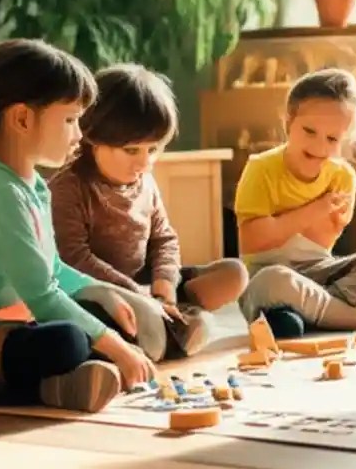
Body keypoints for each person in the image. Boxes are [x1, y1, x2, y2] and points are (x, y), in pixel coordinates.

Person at [0, 39, 153, 414]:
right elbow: (43, 295)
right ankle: (61, 384)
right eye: (70, 120)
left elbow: (53, 269)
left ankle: (70, 382)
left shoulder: (33, 187)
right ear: (23, 119)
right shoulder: (1, 197)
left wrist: (102, 290)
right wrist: (117, 346)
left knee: (97, 316)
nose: (79, 134)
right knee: (68, 341)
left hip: (8, 328)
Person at [50, 64, 249, 362]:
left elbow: (164, 239)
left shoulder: (145, 181)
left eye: (153, 150)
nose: (144, 163)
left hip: (148, 286)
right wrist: (139, 294)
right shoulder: (68, 188)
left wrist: (164, 288)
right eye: (132, 151)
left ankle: (170, 317)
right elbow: (75, 258)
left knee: (234, 273)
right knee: (138, 326)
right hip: (103, 292)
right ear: (92, 137)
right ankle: (166, 328)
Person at [234, 68, 356, 338]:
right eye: (309, 131)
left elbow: (320, 245)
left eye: (332, 139)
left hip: (320, 272)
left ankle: (309, 314)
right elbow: (253, 242)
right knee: (275, 281)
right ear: (288, 122)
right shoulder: (260, 169)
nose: (319, 146)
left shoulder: (342, 177)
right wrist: (315, 209)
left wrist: (292, 224)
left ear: (344, 139)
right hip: (267, 275)